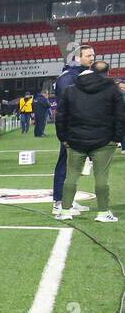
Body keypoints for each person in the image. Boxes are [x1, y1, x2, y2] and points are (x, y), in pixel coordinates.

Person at [55, 59, 125, 223]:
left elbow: (61, 117)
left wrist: (63, 138)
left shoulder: (70, 89)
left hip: (75, 140)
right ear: (107, 72)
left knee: (71, 176)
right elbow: (120, 116)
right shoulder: (112, 89)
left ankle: (65, 210)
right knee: (101, 177)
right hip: (104, 141)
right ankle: (102, 212)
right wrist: (116, 138)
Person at [52, 44, 96, 217]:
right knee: (65, 164)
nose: (92, 58)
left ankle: (67, 199)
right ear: (78, 58)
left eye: (93, 55)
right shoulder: (67, 77)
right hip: (71, 128)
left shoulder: (81, 75)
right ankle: (58, 202)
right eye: (88, 55)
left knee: (74, 166)